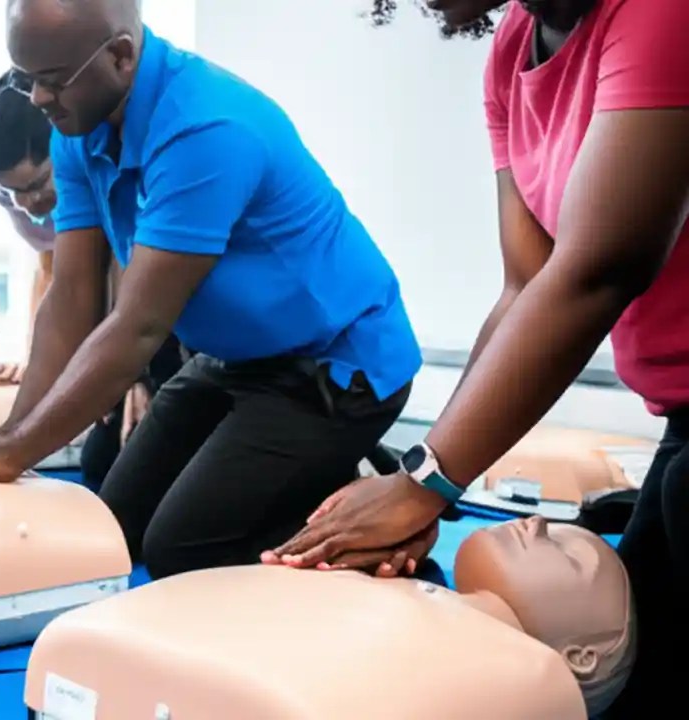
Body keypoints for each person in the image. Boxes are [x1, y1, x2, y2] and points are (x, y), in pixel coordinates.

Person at [0, 0, 421, 582]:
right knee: (116, 529)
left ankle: (386, 530)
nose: (40, 100)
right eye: (27, 81)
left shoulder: (206, 128)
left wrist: (12, 453)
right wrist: (7, 440)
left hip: (336, 368)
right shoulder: (78, 125)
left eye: (51, 81)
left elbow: (138, 325)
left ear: (120, 56)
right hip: (235, 359)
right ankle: (326, 488)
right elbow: (72, 296)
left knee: (183, 552)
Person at [266, 0, 689, 713]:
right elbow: (527, 286)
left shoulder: (661, 14)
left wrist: (427, 484)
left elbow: (599, 270)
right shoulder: (513, 51)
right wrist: (428, 475)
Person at [0, 70, 186, 490]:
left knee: (123, 466)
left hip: (168, 324)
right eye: (10, 191)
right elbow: (59, 280)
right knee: (101, 461)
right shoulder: (32, 194)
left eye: (34, 185)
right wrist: (31, 388)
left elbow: (137, 290)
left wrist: (133, 374)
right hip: (124, 324)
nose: (25, 203)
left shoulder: (114, 161)